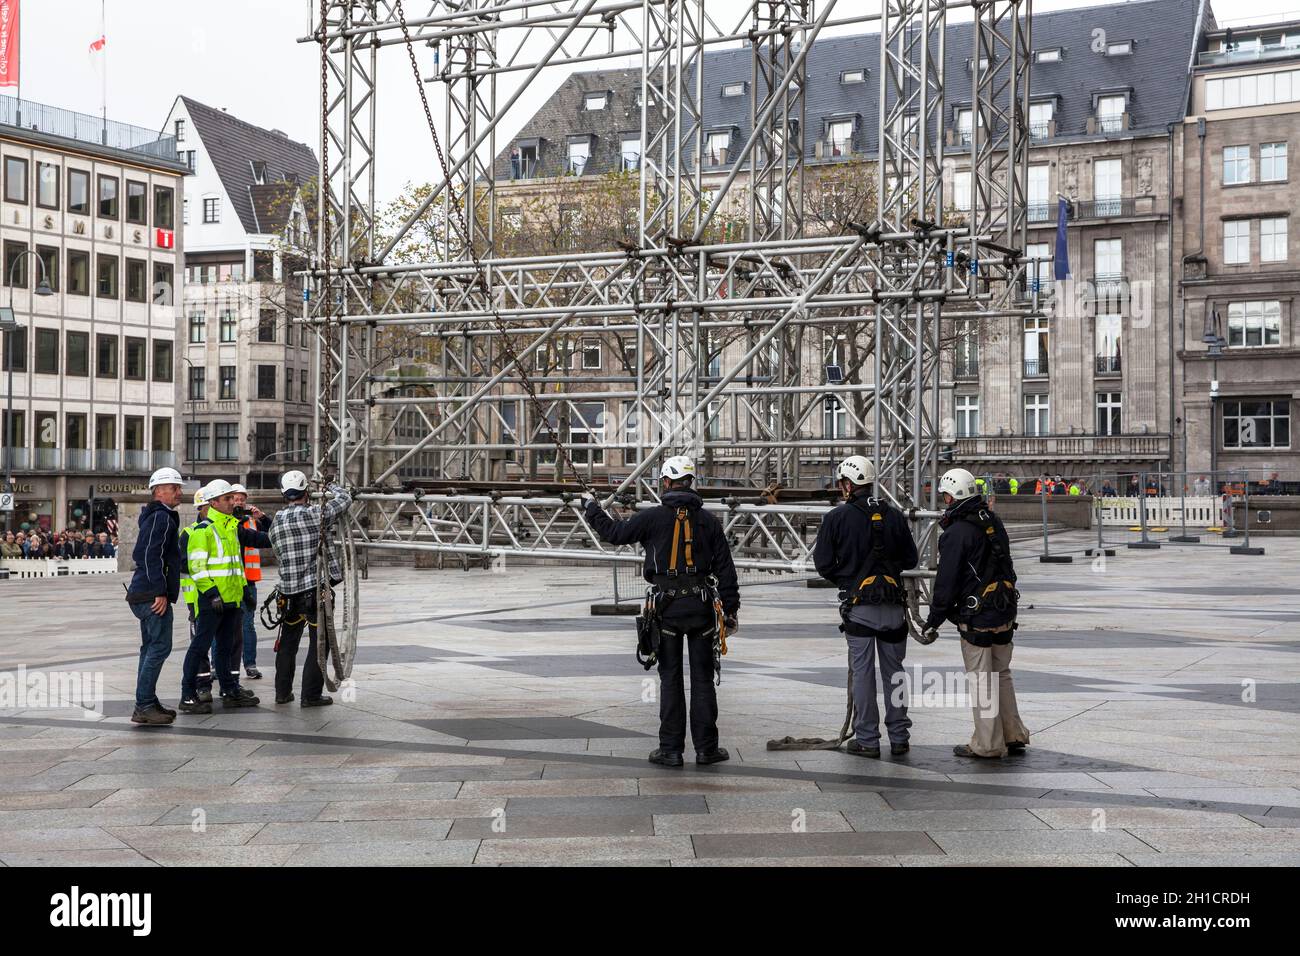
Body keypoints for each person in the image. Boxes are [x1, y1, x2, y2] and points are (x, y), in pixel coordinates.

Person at [584, 456, 740, 767]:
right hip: (701, 608)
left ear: (666, 483)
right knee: (703, 679)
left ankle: (670, 750)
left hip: (666, 610)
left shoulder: (653, 518)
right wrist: (730, 612)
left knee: (669, 679)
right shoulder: (709, 521)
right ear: (690, 484)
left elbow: (615, 533)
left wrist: (592, 509)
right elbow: (726, 569)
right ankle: (707, 749)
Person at [813, 455, 919, 758]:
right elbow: (910, 560)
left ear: (848, 484)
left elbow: (823, 564)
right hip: (893, 606)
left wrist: (846, 580)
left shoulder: (836, 518)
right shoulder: (894, 516)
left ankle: (867, 739)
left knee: (862, 673)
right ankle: (899, 737)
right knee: (894, 672)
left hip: (859, 607)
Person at [923, 468, 1030, 759]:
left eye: (944, 495)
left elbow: (946, 583)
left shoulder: (957, 532)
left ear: (951, 495)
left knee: (982, 677)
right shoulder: (991, 520)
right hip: (1004, 608)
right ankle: (1013, 733)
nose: (943, 500)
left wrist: (933, 620)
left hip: (978, 616)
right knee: (1001, 673)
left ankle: (988, 743)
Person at [179, 479, 271, 714]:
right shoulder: (203, 530)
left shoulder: (232, 527)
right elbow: (197, 568)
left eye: (233, 498)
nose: (233, 502)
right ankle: (187, 695)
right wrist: (211, 594)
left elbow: (237, 563)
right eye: (228, 499)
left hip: (232, 599)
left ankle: (229, 691)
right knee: (200, 646)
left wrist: (244, 593)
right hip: (212, 601)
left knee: (225, 647)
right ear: (213, 503)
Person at [268, 471, 353, 708]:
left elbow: (276, 550)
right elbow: (344, 500)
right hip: (315, 592)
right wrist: (329, 487)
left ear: (284, 494)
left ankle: (282, 693)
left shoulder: (276, 522)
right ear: (306, 492)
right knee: (320, 643)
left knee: (287, 644)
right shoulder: (316, 514)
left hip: (287, 594)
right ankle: (311, 695)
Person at [123, 467, 185, 725]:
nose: (180, 492)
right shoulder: (160, 517)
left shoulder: (161, 516)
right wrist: (159, 591)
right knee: (159, 647)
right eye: (175, 488)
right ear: (159, 491)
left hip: (143, 592)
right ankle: (144, 704)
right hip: (149, 594)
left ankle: (147, 700)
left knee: (150, 648)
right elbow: (149, 555)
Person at [230, 484, 265, 680]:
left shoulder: (252, 520)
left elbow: (271, 535)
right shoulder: (224, 520)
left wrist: (261, 517)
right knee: (224, 625)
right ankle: (219, 665)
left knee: (247, 624)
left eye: (242, 499)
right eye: (235, 498)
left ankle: (250, 664)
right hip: (229, 581)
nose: (239, 502)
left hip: (249, 581)